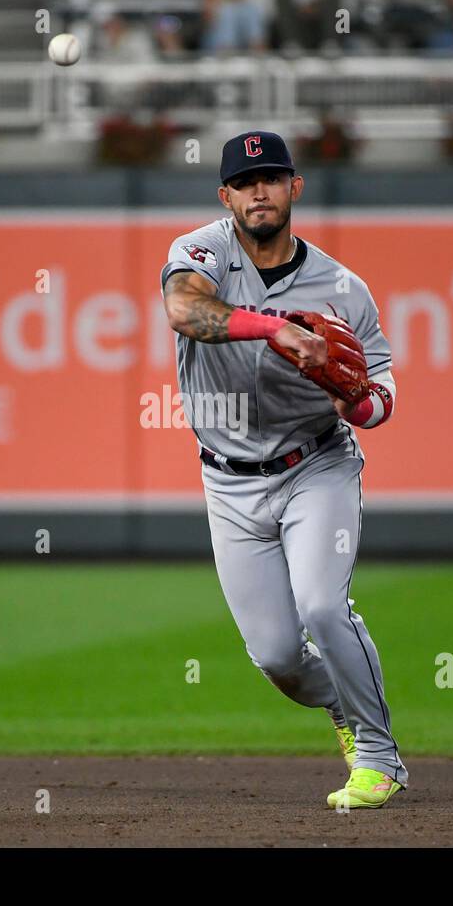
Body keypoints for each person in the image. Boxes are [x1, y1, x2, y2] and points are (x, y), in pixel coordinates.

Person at [159, 131, 407, 810]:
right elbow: (183, 308)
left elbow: (382, 393)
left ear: (295, 188)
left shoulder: (341, 286)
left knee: (325, 608)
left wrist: (357, 400)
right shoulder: (200, 251)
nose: (258, 191)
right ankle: (344, 703)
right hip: (229, 482)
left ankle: (379, 756)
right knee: (276, 658)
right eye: (245, 182)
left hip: (315, 466)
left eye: (271, 178)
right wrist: (274, 328)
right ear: (225, 197)